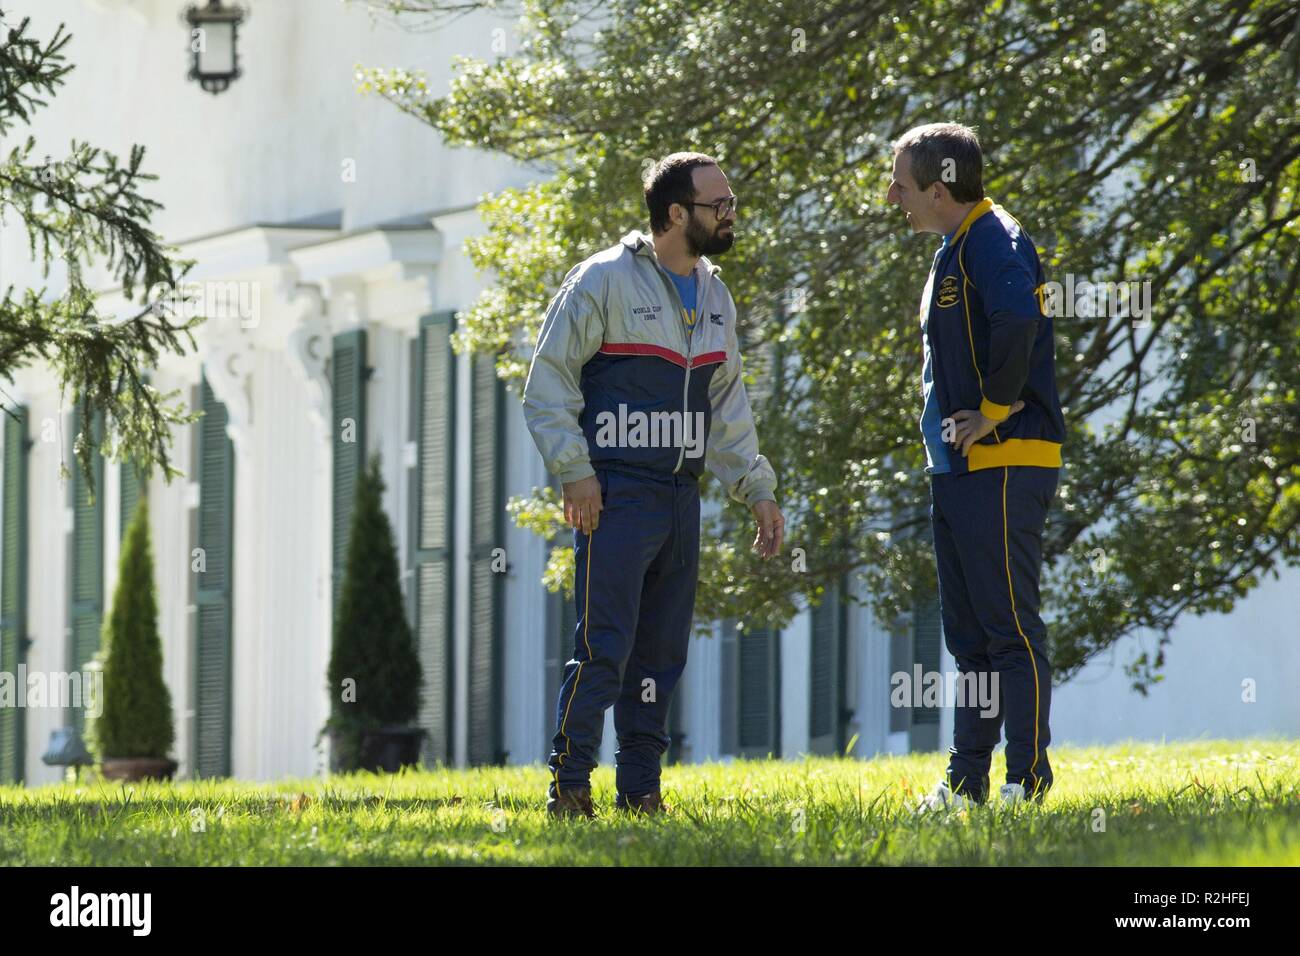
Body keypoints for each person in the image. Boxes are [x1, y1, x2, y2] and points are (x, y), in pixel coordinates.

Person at [523, 152, 785, 818]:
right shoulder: (603, 281)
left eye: (730, 203)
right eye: (718, 205)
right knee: (603, 648)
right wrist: (575, 472)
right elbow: (547, 382)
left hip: (680, 498)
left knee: (660, 658)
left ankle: (640, 790)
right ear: (676, 214)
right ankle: (569, 785)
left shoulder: (718, 295)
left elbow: (727, 409)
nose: (731, 215)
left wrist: (757, 488)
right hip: (614, 496)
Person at [886, 123, 1067, 808]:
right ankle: (967, 784)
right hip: (958, 469)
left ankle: (1027, 779)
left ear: (939, 188)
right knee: (969, 639)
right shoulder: (949, 248)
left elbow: (1019, 318)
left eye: (901, 184)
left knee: (1010, 628)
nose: (892, 196)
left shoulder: (997, 240)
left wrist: (994, 409)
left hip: (1005, 462)